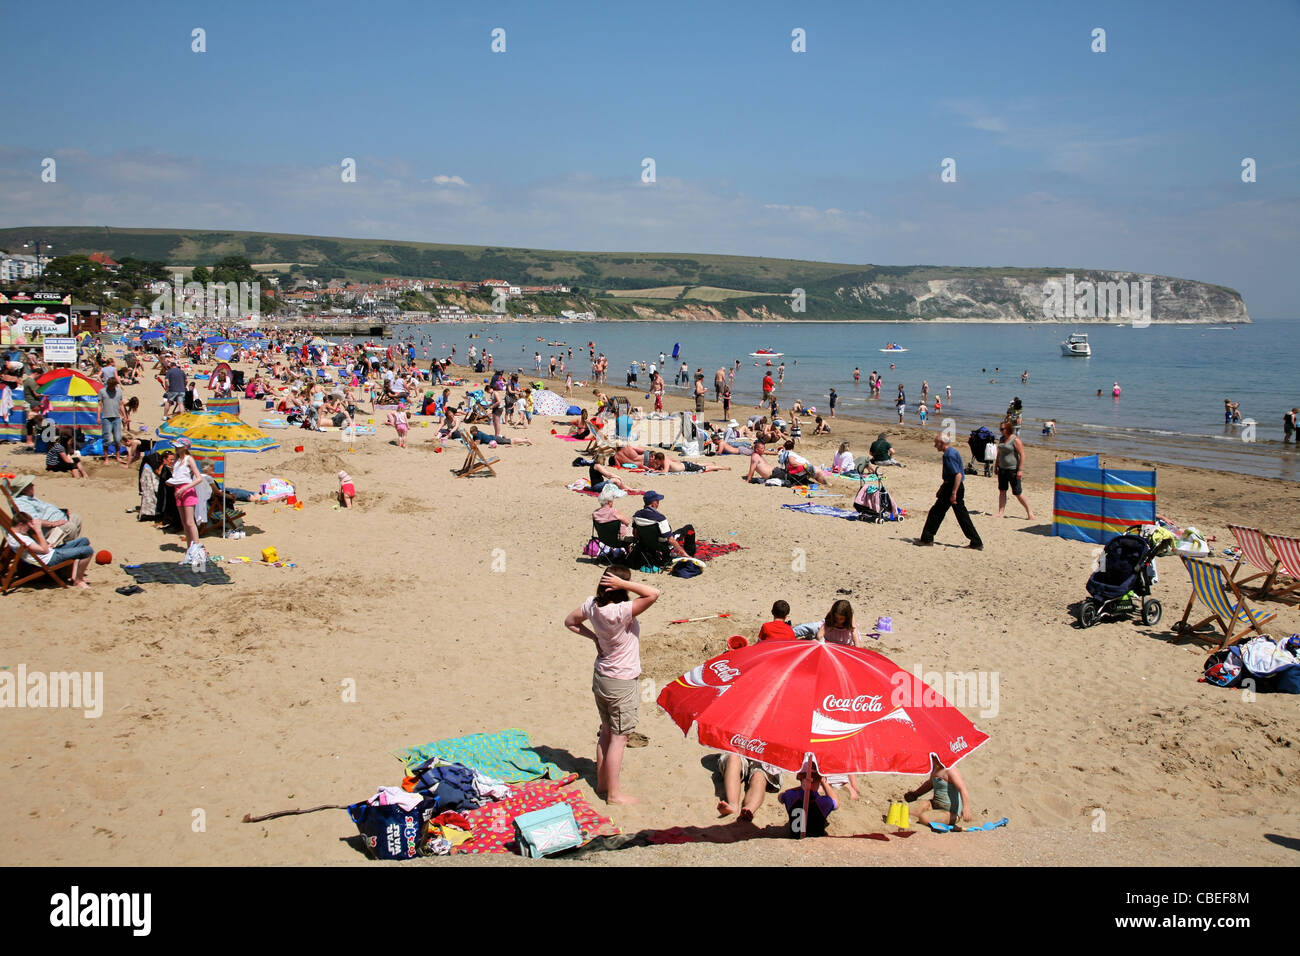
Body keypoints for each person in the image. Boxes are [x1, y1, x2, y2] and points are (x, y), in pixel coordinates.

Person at [563, 567, 661, 805]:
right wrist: (625, 584)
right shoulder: (620, 611)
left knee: (606, 732)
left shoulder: (593, 606)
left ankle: (603, 783)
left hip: (602, 676)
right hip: (621, 681)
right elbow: (654, 593)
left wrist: (594, 637)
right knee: (619, 738)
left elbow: (570, 622)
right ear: (618, 587)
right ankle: (614, 795)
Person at [918, 434, 983, 550]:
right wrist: (941, 488)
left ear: (942, 443)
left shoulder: (949, 455)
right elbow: (951, 476)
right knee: (954, 514)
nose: (934, 445)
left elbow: (957, 475)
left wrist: (953, 493)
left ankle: (927, 539)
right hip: (950, 486)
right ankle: (976, 541)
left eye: (936, 443)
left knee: (938, 513)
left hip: (954, 487)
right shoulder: (952, 452)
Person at [5, 510, 94, 589]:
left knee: (84, 541)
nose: (28, 529)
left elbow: (40, 549)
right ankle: (78, 580)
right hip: (49, 559)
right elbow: (45, 551)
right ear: (20, 524)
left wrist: (47, 546)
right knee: (88, 551)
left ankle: (75, 574)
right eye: (28, 526)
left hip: (50, 553)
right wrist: (38, 531)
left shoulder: (11, 534)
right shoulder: (21, 539)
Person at [904, 755, 973, 829]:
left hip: (950, 812)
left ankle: (952, 819)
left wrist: (966, 808)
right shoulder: (936, 768)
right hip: (934, 805)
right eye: (933, 758)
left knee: (924, 818)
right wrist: (915, 794)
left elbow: (962, 789)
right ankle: (930, 814)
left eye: (936, 758)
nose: (934, 760)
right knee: (907, 810)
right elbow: (930, 784)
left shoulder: (950, 770)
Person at [7, 475, 83, 543]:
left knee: (77, 518)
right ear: (24, 489)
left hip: (56, 521)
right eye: (30, 484)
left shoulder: (29, 497)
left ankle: (76, 547)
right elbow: (33, 520)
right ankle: (71, 552)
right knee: (70, 528)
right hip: (47, 529)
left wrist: (62, 511)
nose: (33, 485)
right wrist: (53, 524)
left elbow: (45, 509)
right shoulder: (21, 503)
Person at [717, 753, 782, 821]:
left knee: (759, 776)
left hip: (766, 756)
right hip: (740, 749)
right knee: (733, 759)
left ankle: (750, 808)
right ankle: (733, 804)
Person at [168, 437, 205, 552]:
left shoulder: (189, 459)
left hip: (187, 491)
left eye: (178, 446)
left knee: (190, 522)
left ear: (184, 447)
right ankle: (190, 548)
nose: (176, 448)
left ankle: (196, 547)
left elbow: (199, 478)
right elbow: (178, 477)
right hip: (178, 490)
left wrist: (184, 488)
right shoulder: (176, 461)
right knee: (184, 523)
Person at [632, 490, 695, 557]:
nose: (658, 503)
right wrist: (684, 553)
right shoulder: (660, 518)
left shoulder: (636, 515)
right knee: (689, 528)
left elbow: (635, 533)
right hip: (663, 545)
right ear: (653, 503)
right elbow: (671, 540)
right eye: (658, 501)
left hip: (646, 544)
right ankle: (690, 553)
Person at [779, 768, 837, 837]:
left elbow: (780, 797)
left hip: (795, 836)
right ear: (819, 781)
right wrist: (824, 782)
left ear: (800, 779)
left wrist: (799, 788)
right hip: (816, 840)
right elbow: (836, 803)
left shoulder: (790, 795)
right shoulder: (823, 802)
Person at [994, 419, 1034, 519]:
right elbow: (999, 453)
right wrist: (996, 465)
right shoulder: (1002, 439)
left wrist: (1020, 470)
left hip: (1013, 470)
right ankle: (1000, 512)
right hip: (1002, 469)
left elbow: (1022, 454)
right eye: (1000, 429)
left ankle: (1030, 512)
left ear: (1008, 429)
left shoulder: (1015, 440)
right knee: (1002, 490)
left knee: (1017, 493)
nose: (1001, 431)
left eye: (1002, 429)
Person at [646, 450, 730, 474]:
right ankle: (712, 464)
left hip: (687, 467)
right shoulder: (664, 461)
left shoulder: (666, 461)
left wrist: (656, 471)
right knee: (698, 465)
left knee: (705, 468)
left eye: (656, 460)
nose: (656, 462)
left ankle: (722, 467)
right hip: (685, 465)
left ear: (660, 459)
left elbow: (665, 472)